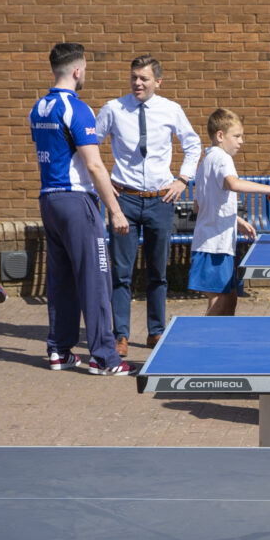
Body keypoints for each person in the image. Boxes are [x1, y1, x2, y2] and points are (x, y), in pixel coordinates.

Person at [30, 42, 133, 376]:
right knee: (95, 279)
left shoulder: (39, 107)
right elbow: (93, 166)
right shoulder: (78, 108)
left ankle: (59, 351)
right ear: (77, 71)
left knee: (60, 279)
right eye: (85, 69)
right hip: (77, 202)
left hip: (49, 198)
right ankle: (105, 358)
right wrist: (115, 209)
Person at [96, 55, 201, 356]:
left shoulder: (171, 110)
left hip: (160, 200)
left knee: (158, 271)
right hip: (124, 199)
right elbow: (89, 147)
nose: (137, 83)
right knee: (122, 273)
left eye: (143, 78)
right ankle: (121, 336)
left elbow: (193, 144)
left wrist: (182, 180)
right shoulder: (114, 109)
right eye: (134, 77)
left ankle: (156, 332)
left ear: (158, 81)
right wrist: (104, 181)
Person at [191, 108, 270, 315]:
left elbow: (200, 206)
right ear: (220, 136)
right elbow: (233, 183)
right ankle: (206, 344)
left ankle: (223, 342)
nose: (241, 141)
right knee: (219, 301)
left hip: (213, 243)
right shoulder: (223, 158)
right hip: (214, 247)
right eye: (237, 136)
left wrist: (235, 221)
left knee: (230, 297)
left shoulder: (205, 162)